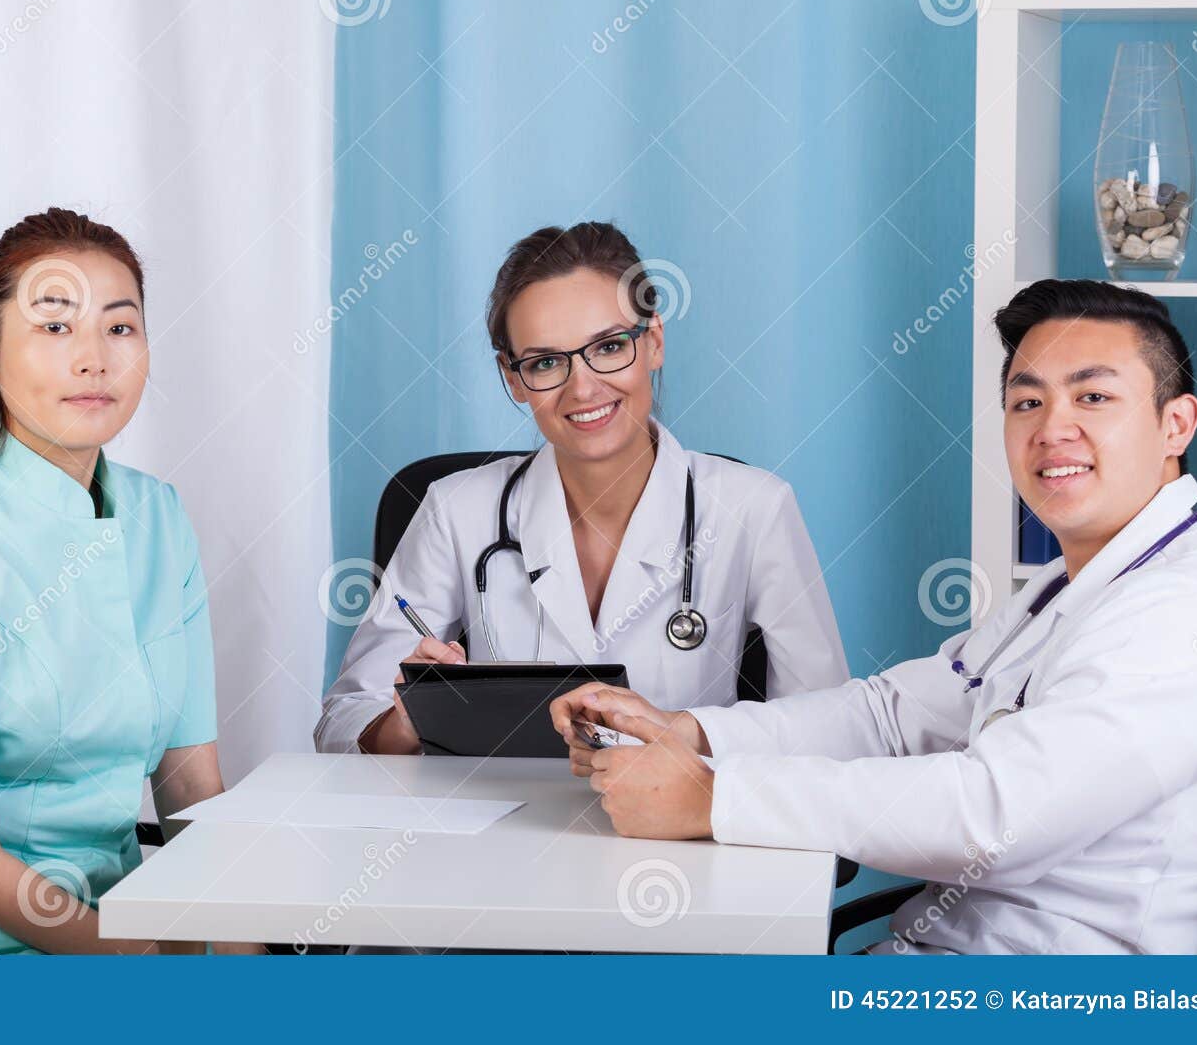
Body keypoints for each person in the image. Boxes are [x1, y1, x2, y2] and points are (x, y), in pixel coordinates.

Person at [552, 278, 1197, 954]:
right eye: (1027, 400)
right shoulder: (1072, 584)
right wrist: (690, 731)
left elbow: (992, 815)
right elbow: (892, 715)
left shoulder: (1192, 607)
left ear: (1177, 424)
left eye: (1094, 396)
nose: (1051, 428)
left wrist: (715, 796)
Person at [0, 208, 255, 954]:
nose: (95, 358)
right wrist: (134, 969)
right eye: (55, 326)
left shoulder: (159, 517)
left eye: (120, 327)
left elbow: (191, 786)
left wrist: (243, 963)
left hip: (121, 906)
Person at [316, 222, 847, 755]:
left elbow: (830, 728)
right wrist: (409, 720)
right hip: (505, 829)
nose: (584, 386)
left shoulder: (753, 509)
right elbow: (343, 720)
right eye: (546, 362)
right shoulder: (456, 509)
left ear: (654, 341)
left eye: (610, 347)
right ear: (513, 378)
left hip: (683, 831)